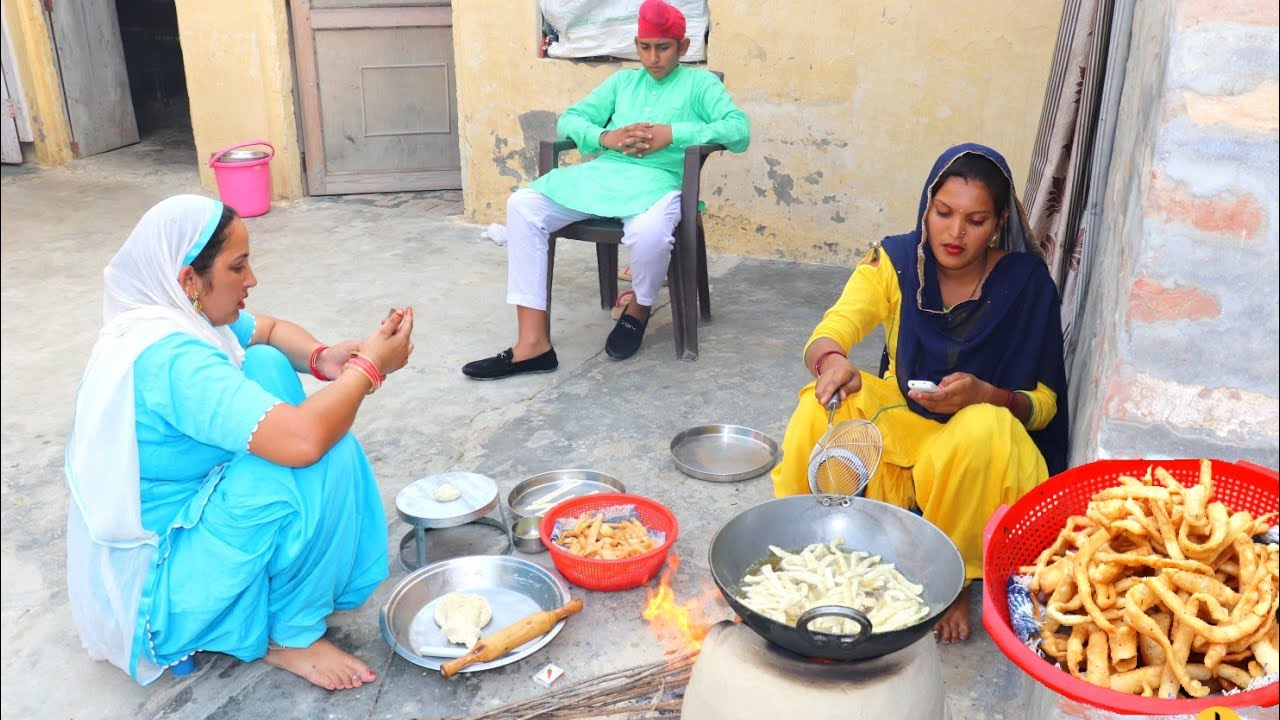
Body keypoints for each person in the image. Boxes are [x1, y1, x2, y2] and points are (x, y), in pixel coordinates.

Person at [64, 195, 415, 690]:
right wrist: (368, 369)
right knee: (325, 454)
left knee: (266, 362)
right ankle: (289, 635)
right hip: (167, 586)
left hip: (190, 526)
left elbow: (267, 330)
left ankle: (271, 582)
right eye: (238, 266)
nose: (251, 279)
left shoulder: (172, 314)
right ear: (188, 280)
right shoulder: (174, 362)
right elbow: (306, 441)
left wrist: (322, 358)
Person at [770, 144, 1069, 644]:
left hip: (979, 451)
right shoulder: (894, 260)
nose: (954, 233)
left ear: (997, 223)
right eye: (944, 213)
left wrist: (987, 396)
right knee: (821, 402)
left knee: (983, 427)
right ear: (926, 208)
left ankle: (952, 578)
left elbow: (1044, 405)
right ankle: (800, 544)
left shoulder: (1026, 283)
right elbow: (834, 328)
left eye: (974, 220)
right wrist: (833, 361)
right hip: (906, 427)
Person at [462, 0, 750, 379]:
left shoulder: (701, 84)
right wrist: (606, 137)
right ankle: (533, 343)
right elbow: (571, 120)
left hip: (661, 182)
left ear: (683, 47)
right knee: (523, 205)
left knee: (648, 234)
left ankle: (638, 309)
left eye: (663, 47)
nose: (653, 58)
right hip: (605, 175)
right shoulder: (622, 82)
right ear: (636, 44)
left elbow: (738, 130)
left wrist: (673, 133)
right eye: (645, 47)